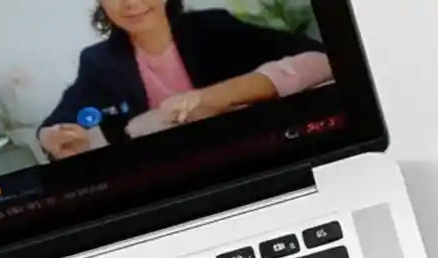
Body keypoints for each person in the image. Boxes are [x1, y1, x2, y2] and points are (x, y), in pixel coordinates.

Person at [40, 0, 332, 160]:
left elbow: (317, 56)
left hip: (251, 153)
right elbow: (63, 118)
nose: (129, 3)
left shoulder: (213, 27)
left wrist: (219, 96)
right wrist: (53, 135)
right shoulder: (99, 60)